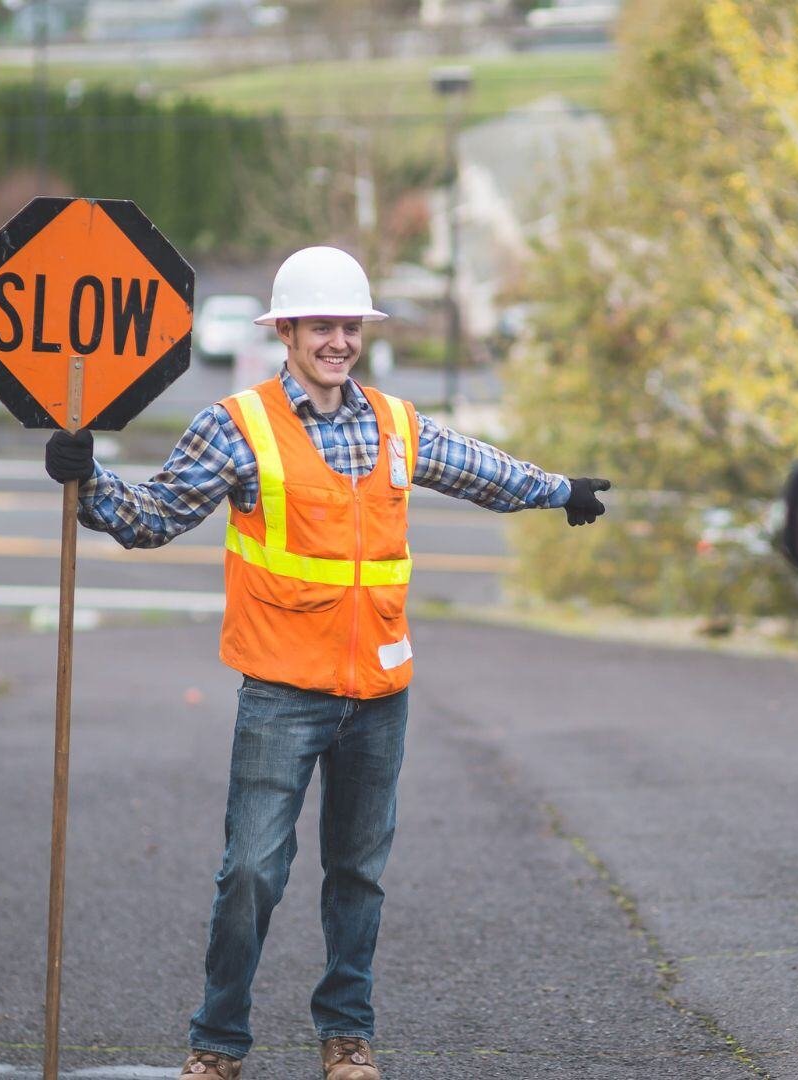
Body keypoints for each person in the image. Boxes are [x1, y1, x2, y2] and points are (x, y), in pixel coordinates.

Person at [42, 246, 613, 1080]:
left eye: (349, 325)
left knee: (358, 876)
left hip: (378, 695)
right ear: (287, 332)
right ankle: (217, 1041)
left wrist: (558, 490)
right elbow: (154, 517)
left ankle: (347, 1037)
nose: (338, 341)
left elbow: (477, 468)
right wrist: (89, 478)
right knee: (250, 875)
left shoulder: (392, 423)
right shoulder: (236, 426)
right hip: (282, 692)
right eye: (322, 326)